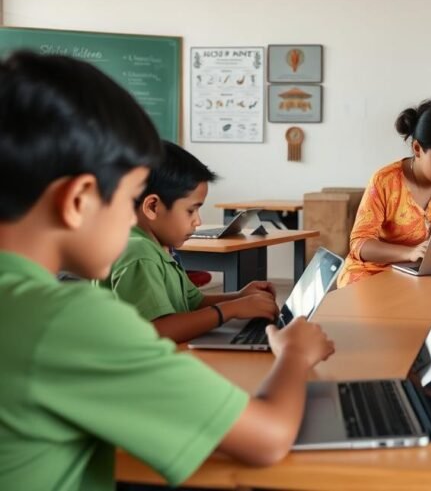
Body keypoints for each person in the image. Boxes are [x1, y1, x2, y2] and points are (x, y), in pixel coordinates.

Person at [0, 52, 334, 490]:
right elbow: (267, 437)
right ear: (79, 199)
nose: (131, 217)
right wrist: (295, 354)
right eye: (128, 198)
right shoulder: (63, 319)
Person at [99, 140, 280, 343]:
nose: (198, 220)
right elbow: (157, 331)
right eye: (190, 210)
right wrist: (230, 309)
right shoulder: (139, 253)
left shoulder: (159, 248)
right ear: (152, 207)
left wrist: (239, 297)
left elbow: (193, 302)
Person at [337, 94, 431, 287]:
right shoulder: (385, 181)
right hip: (374, 273)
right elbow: (360, 244)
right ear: (418, 149)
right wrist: (409, 253)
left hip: (428, 274)